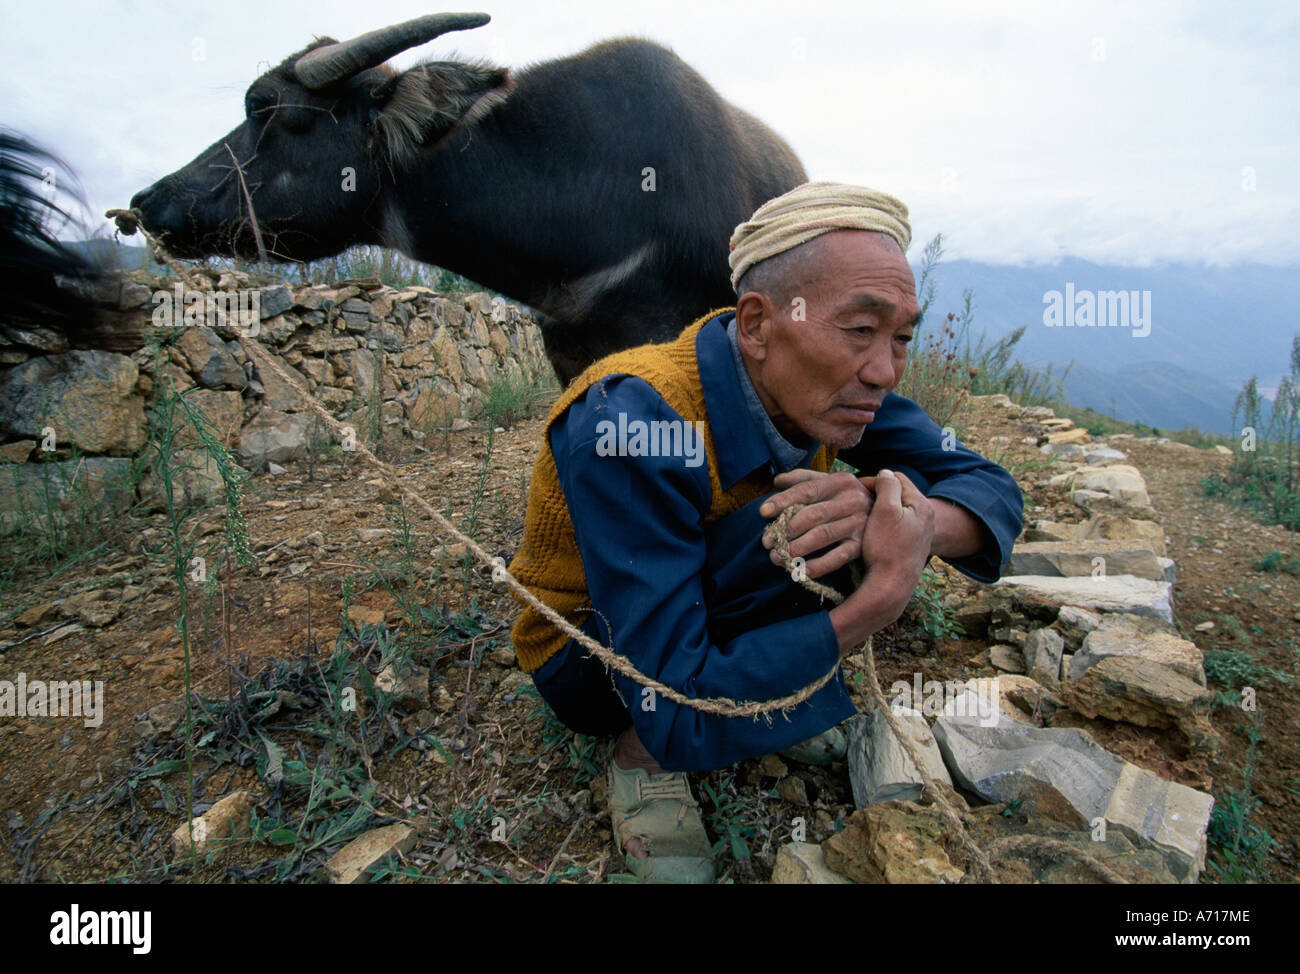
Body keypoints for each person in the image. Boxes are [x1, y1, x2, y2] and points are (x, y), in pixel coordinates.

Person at [507, 182, 1023, 882]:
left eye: (902, 336)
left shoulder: (845, 390)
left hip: (702, 613)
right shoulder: (632, 419)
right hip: (596, 659)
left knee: (854, 511)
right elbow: (672, 696)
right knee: (797, 525)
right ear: (756, 325)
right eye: (859, 330)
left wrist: (908, 519)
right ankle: (640, 759)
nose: (884, 369)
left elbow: (991, 487)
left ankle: (770, 694)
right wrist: (873, 603)